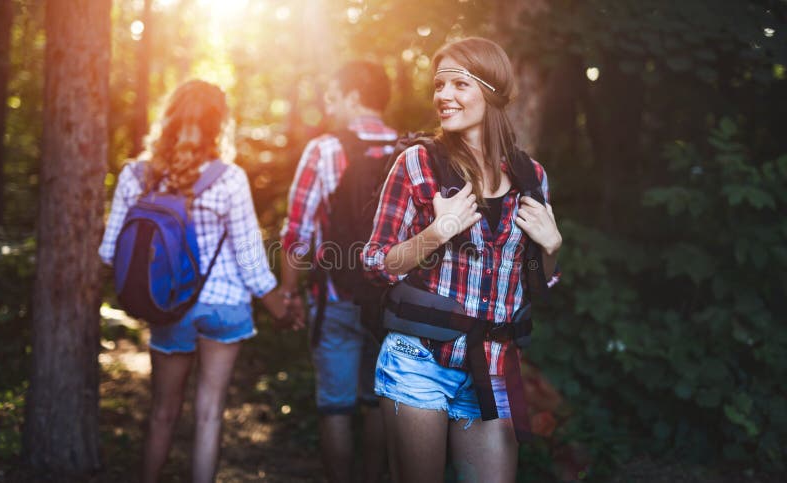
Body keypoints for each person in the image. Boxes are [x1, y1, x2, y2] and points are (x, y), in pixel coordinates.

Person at [362, 37, 563, 483]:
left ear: (491, 90)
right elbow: (376, 262)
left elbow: (539, 283)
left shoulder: (531, 177)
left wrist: (551, 249)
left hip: (492, 365)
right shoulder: (418, 164)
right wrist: (435, 234)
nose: (443, 96)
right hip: (418, 361)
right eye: (439, 85)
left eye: (459, 84)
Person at [99, 80, 291, 483]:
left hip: (169, 306)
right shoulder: (229, 178)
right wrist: (278, 302)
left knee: (163, 412)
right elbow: (250, 257)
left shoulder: (136, 175)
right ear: (219, 125)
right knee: (208, 414)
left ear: (168, 119)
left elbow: (108, 251)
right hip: (224, 307)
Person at [280, 61, 398, 483]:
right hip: (394, 305)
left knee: (335, 407)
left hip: (337, 298)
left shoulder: (326, 149)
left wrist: (289, 293)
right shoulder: (413, 151)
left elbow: (297, 232)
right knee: (379, 402)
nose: (328, 106)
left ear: (352, 97)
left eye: (333, 97)